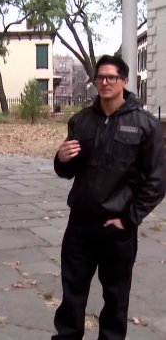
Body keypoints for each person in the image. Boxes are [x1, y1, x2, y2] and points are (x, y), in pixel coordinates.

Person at [52, 54, 166, 340]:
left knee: (115, 300)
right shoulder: (81, 121)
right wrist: (61, 159)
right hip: (80, 225)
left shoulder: (146, 126)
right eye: (100, 77)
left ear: (124, 81)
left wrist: (129, 219)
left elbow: (157, 180)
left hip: (117, 229)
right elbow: (69, 171)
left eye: (111, 77)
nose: (104, 82)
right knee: (72, 296)